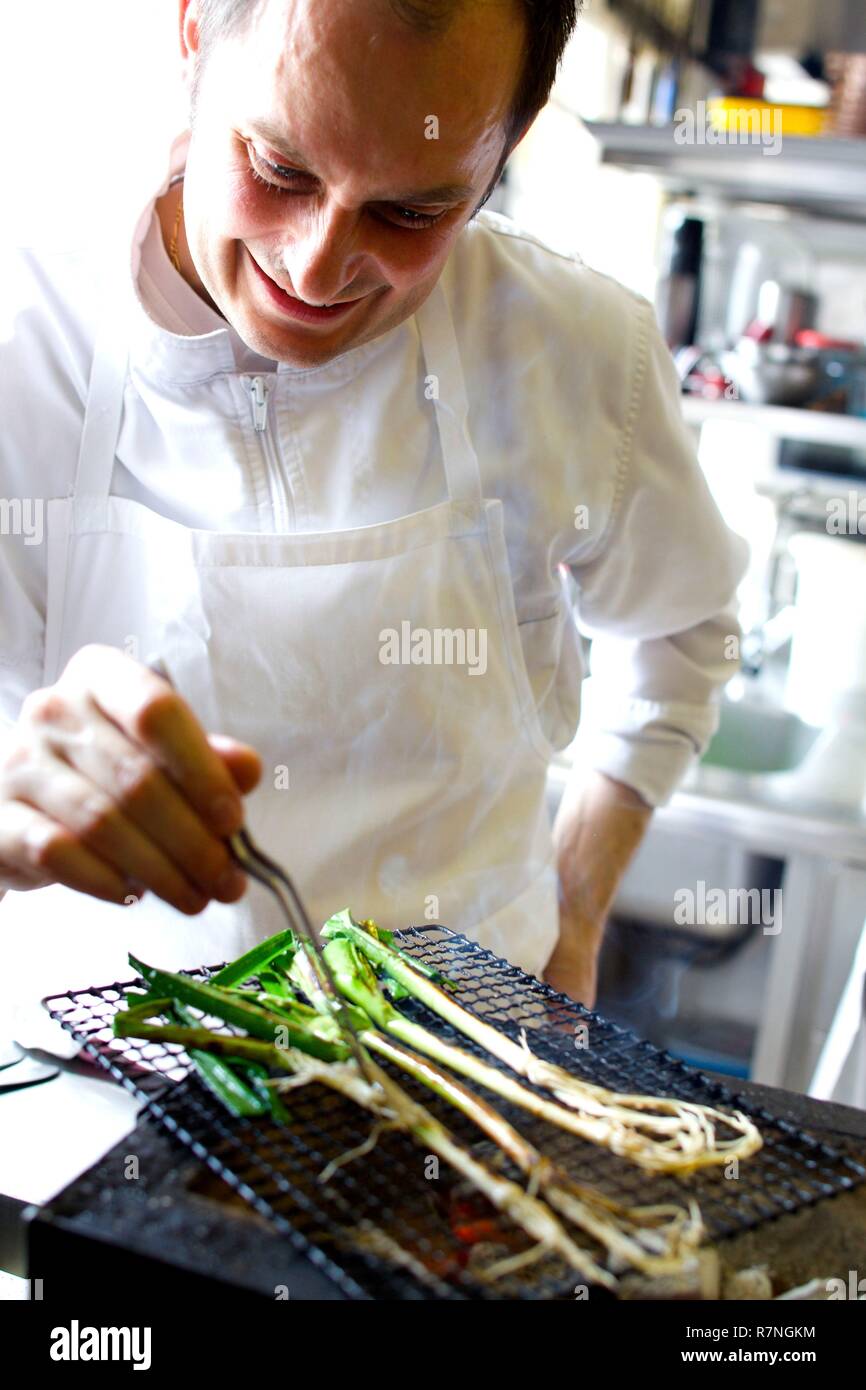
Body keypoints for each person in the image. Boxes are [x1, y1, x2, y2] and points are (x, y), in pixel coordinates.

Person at [0, 0, 747, 1045]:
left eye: (409, 213)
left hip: (468, 1072)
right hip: (95, 1081)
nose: (314, 270)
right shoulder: (21, 334)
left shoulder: (572, 349)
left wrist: (575, 916)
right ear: (190, 39)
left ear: (501, 153)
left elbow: (682, 634)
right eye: (279, 169)